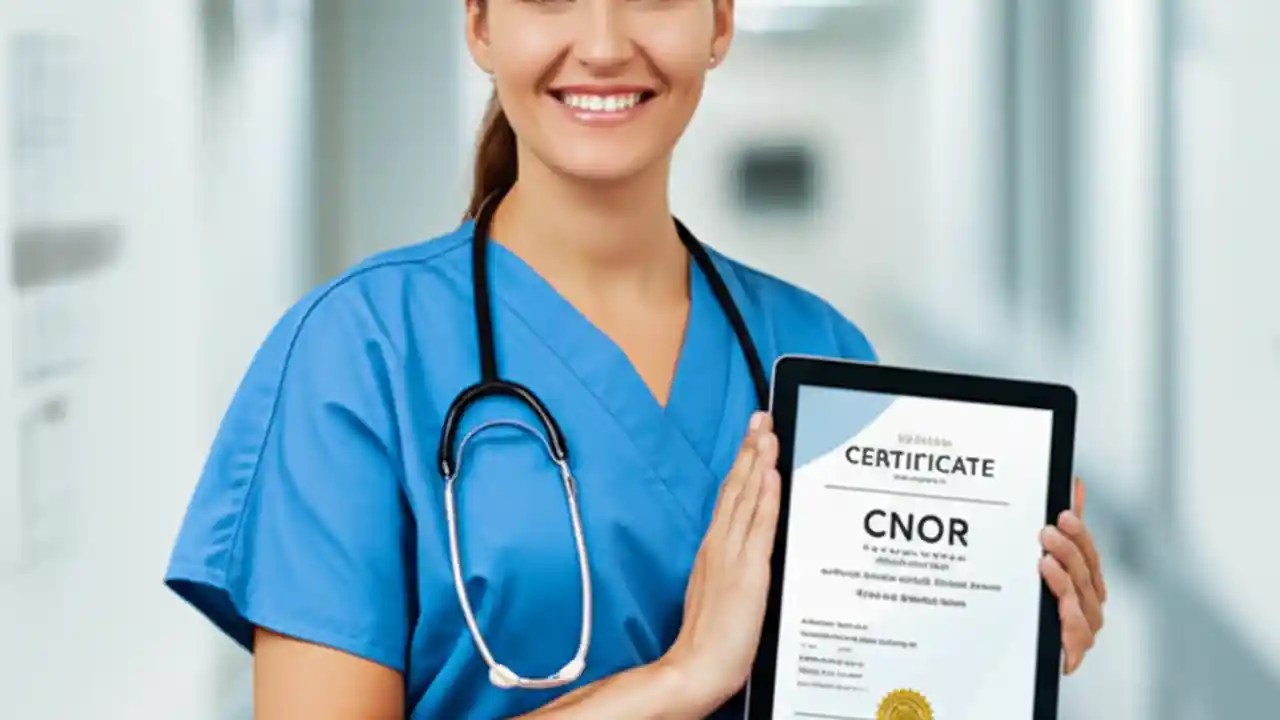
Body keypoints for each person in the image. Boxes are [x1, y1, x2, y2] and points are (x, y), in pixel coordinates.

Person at [163, 1, 1108, 717]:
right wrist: (680, 679)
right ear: (481, 25)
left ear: (720, 23)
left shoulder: (818, 351)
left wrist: (986, 650)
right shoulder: (360, 352)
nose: (606, 43)